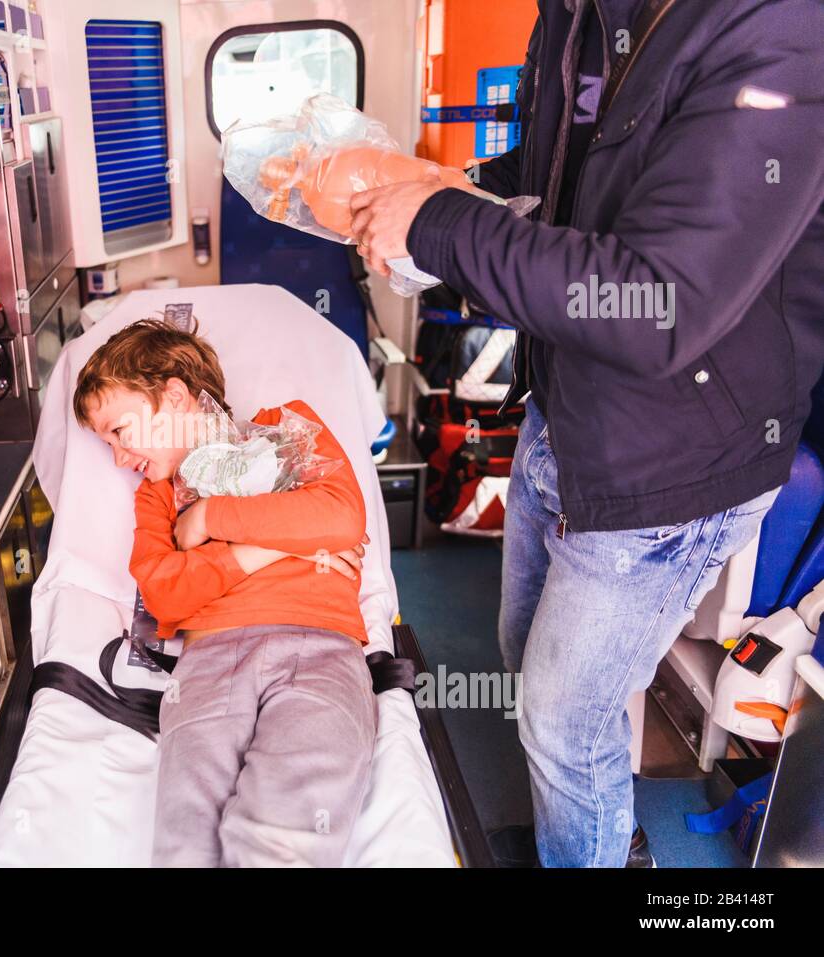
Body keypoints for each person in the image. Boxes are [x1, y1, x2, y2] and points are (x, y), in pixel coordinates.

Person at [347, 0, 824, 866]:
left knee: (564, 719)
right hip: (568, 411)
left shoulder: (782, 26)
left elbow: (657, 303)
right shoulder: (577, 11)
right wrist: (438, 189)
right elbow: (562, 187)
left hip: (675, 453)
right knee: (526, 663)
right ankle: (605, 835)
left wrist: (437, 224)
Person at [73, 319, 374, 867]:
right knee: (187, 838)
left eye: (119, 431)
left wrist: (211, 516)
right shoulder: (157, 498)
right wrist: (282, 547)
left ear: (175, 395)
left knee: (283, 835)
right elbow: (164, 595)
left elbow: (342, 517)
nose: (118, 458)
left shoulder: (288, 431)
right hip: (209, 666)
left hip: (321, 652)